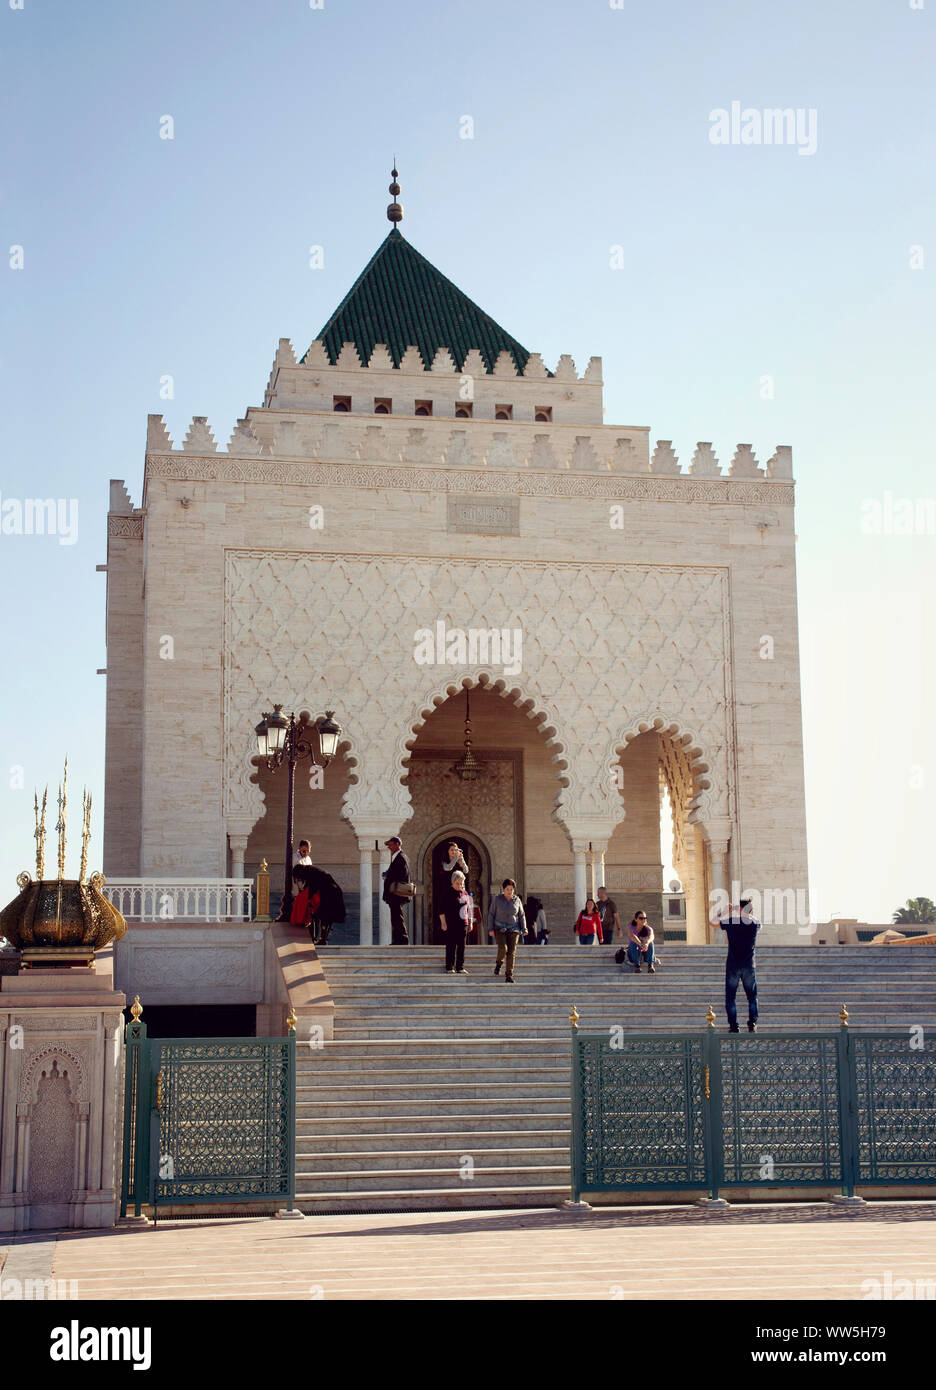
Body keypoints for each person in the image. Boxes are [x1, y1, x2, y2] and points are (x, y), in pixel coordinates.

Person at [712, 897, 760, 1033]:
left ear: (739, 909)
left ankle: (734, 1026)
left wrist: (726, 910)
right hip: (749, 965)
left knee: (731, 997)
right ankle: (752, 1024)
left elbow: (713, 922)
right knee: (752, 996)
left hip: (733, 964)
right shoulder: (755, 922)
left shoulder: (731, 921)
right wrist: (746, 911)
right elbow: (755, 920)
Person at [488, 878, 527, 982]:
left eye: (511, 889)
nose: (510, 891)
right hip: (499, 929)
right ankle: (499, 963)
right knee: (503, 948)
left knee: (511, 952)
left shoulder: (517, 900)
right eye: (507, 889)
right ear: (503, 889)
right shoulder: (497, 899)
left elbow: (521, 915)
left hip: (514, 929)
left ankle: (509, 975)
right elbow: (491, 914)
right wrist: (491, 928)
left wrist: (524, 928)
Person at [439, 869, 473, 974]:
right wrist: (443, 923)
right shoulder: (447, 893)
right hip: (451, 923)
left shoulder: (465, 893)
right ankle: (449, 967)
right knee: (451, 945)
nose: (459, 885)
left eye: (461, 883)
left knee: (462, 946)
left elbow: (469, 908)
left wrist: (470, 922)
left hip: (463, 923)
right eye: (457, 883)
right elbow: (441, 909)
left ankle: (460, 967)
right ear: (452, 882)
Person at [381, 836, 412, 945]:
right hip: (394, 893)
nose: (389, 847)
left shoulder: (401, 857)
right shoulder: (397, 857)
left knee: (397, 917)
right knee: (395, 917)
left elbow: (402, 874)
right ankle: (398, 939)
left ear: (397, 844)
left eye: (390, 844)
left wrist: (389, 875)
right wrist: (388, 874)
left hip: (396, 893)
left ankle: (402, 939)